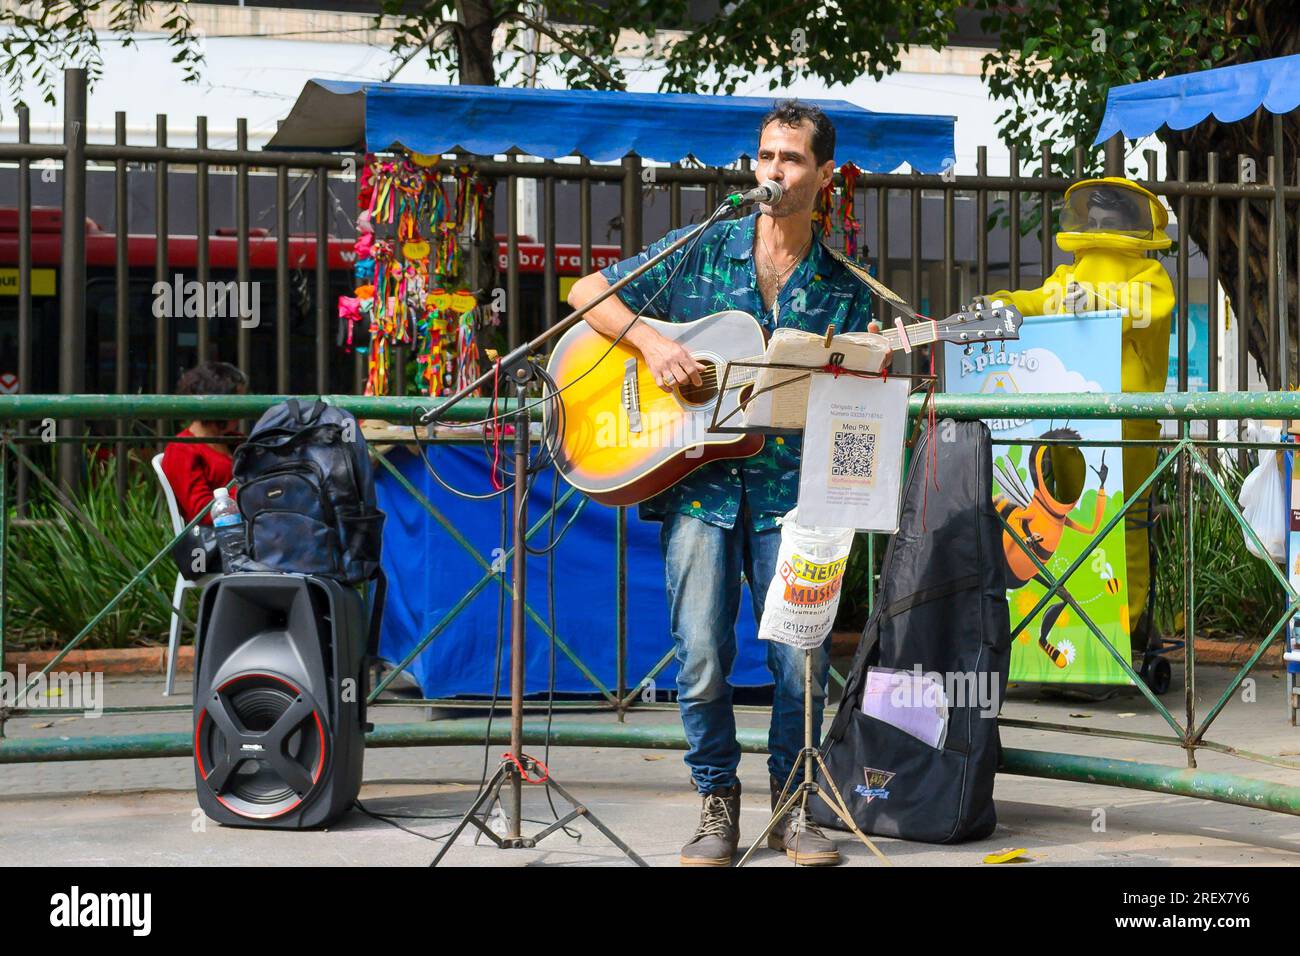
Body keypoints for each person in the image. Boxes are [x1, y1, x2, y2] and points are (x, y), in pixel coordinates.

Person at [567, 101, 886, 866]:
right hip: (700, 494)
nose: (775, 170)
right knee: (703, 653)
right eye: (766, 156)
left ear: (824, 176)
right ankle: (716, 804)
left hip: (795, 499)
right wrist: (651, 345)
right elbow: (584, 294)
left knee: (800, 659)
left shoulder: (846, 287)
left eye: (793, 159)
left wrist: (875, 367)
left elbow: (860, 416)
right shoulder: (702, 248)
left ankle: (792, 807)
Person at [978, 177, 1175, 650]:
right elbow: (1036, 303)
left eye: (1112, 215)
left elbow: (1146, 311)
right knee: (1072, 522)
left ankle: (1122, 634)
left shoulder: (1147, 277)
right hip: (1075, 424)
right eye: (1098, 213)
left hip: (1126, 423)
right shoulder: (1070, 277)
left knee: (1123, 523)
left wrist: (1100, 304)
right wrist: (999, 305)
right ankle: (1070, 640)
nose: (1102, 222)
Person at [161, 361, 248, 525]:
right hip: (222, 537)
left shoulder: (236, 441)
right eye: (238, 404)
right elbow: (202, 512)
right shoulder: (182, 450)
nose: (244, 411)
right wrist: (253, 495)